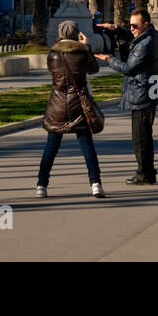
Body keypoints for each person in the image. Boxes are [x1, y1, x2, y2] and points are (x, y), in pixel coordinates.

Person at [36, 20, 105, 199]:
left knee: (51, 145)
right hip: (78, 104)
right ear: (76, 34)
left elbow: (52, 72)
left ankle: (41, 185)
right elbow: (94, 69)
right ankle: (95, 183)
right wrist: (86, 48)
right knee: (86, 145)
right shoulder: (82, 53)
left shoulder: (53, 54)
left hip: (57, 103)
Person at [96, 8, 158, 185]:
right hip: (150, 89)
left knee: (140, 138)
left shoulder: (145, 44)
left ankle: (143, 174)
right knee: (146, 135)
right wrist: (116, 28)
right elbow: (134, 36)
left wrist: (109, 60)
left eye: (134, 25)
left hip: (142, 93)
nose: (131, 28)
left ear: (145, 24)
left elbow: (128, 68)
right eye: (129, 25)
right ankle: (149, 172)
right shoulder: (151, 34)